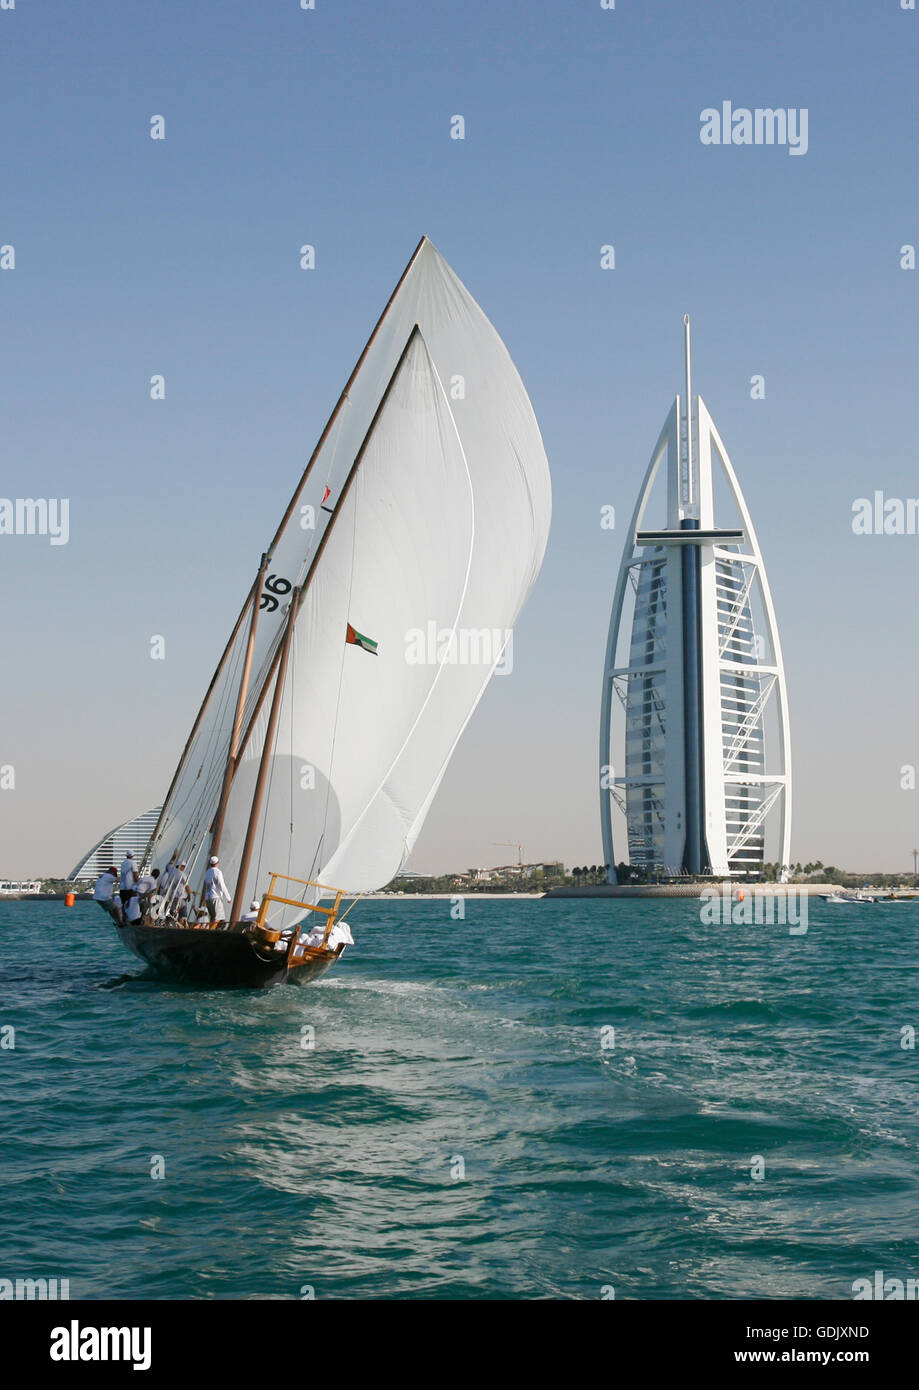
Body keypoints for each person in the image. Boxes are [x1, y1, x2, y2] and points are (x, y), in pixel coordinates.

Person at [203, 855, 231, 924]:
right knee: (219, 918)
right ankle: (212, 932)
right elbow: (222, 885)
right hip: (216, 897)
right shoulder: (218, 872)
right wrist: (228, 897)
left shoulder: (207, 873)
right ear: (217, 863)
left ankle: (210, 931)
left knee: (212, 918)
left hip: (208, 898)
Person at [119, 851, 137, 915]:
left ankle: (124, 918)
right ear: (133, 856)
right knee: (131, 903)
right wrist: (138, 882)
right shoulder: (133, 863)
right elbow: (135, 874)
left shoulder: (123, 863)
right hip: (130, 887)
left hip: (122, 888)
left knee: (123, 904)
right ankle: (131, 917)